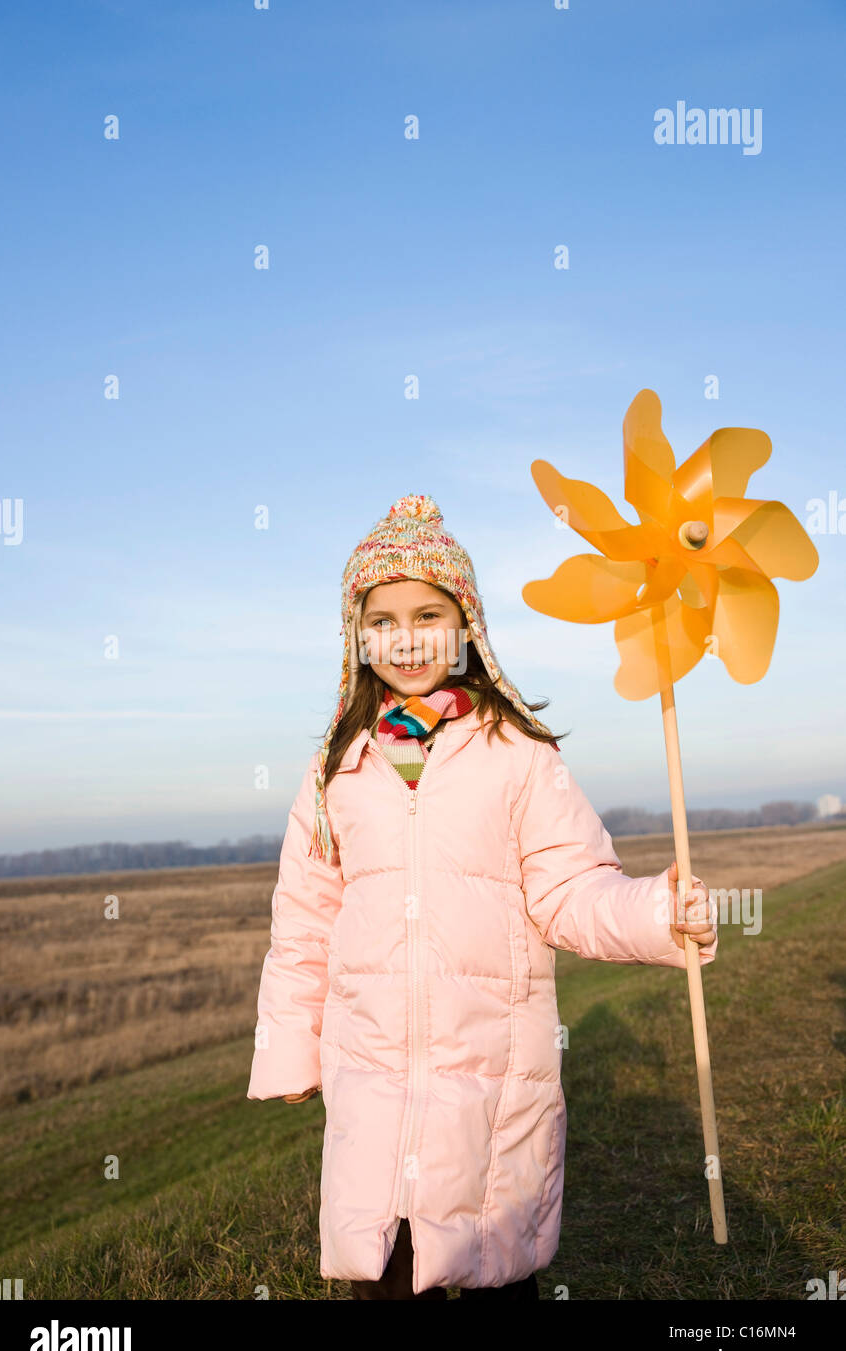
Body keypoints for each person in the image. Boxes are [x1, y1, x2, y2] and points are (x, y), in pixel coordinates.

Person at [247, 493, 717, 1300]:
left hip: (495, 1081)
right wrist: (290, 1046)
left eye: (428, 615)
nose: (406, 639)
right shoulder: (336, 772)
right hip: (374, 1080)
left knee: (497, 1259)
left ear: (466, 624)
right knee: (386, 1270)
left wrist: (654, 913)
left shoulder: (517, 756)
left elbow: (570, 888)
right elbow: (303, 923)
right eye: (383, 620)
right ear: (356, 636)